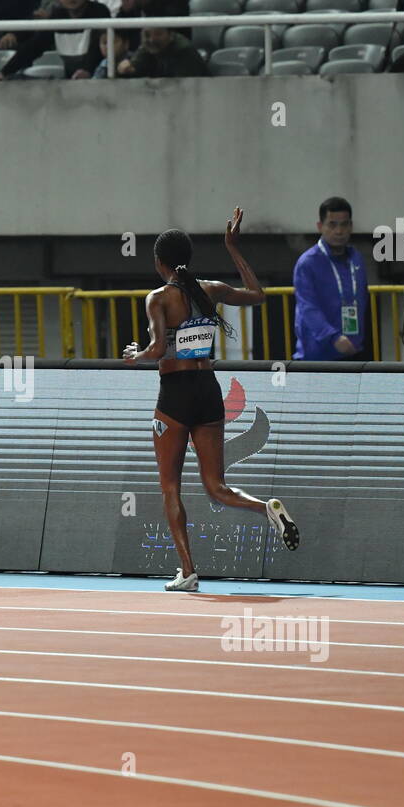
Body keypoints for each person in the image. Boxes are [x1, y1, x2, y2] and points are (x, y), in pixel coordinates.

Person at [123, 211, 300, 592]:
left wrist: (135, 355)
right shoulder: (211, 290)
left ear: (159, 263)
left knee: (170, 486)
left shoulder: (158, 297)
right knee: (217, 486)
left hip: (174, 396)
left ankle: (187, 571)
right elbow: (258, 295)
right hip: (208, 390)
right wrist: (233, 247)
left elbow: (157, 349)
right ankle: (264, 507)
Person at [0, 0, 110, 79]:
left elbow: (100, 48)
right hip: (72, 78)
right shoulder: (58, 16)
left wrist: (88, 71)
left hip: (101, 75)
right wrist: (4, 72)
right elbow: (34, 46)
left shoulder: (99, 11)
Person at [293, 196, 368, 361]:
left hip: (352, 351)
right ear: (320, 226)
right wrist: (333, 338)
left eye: (344, 224)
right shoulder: (308, 263)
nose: (339, 231)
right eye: (332, 224)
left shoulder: (356, 259)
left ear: (351, 226)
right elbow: (308, 308)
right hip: (316, 357)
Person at [117, 25, 209, 77]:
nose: (152, 40)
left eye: (158, 34)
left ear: (170, 35)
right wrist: (126, 69)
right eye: (147, 35)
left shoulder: (183, 50)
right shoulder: (147, 45)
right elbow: (134, 67)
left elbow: (183, 86)